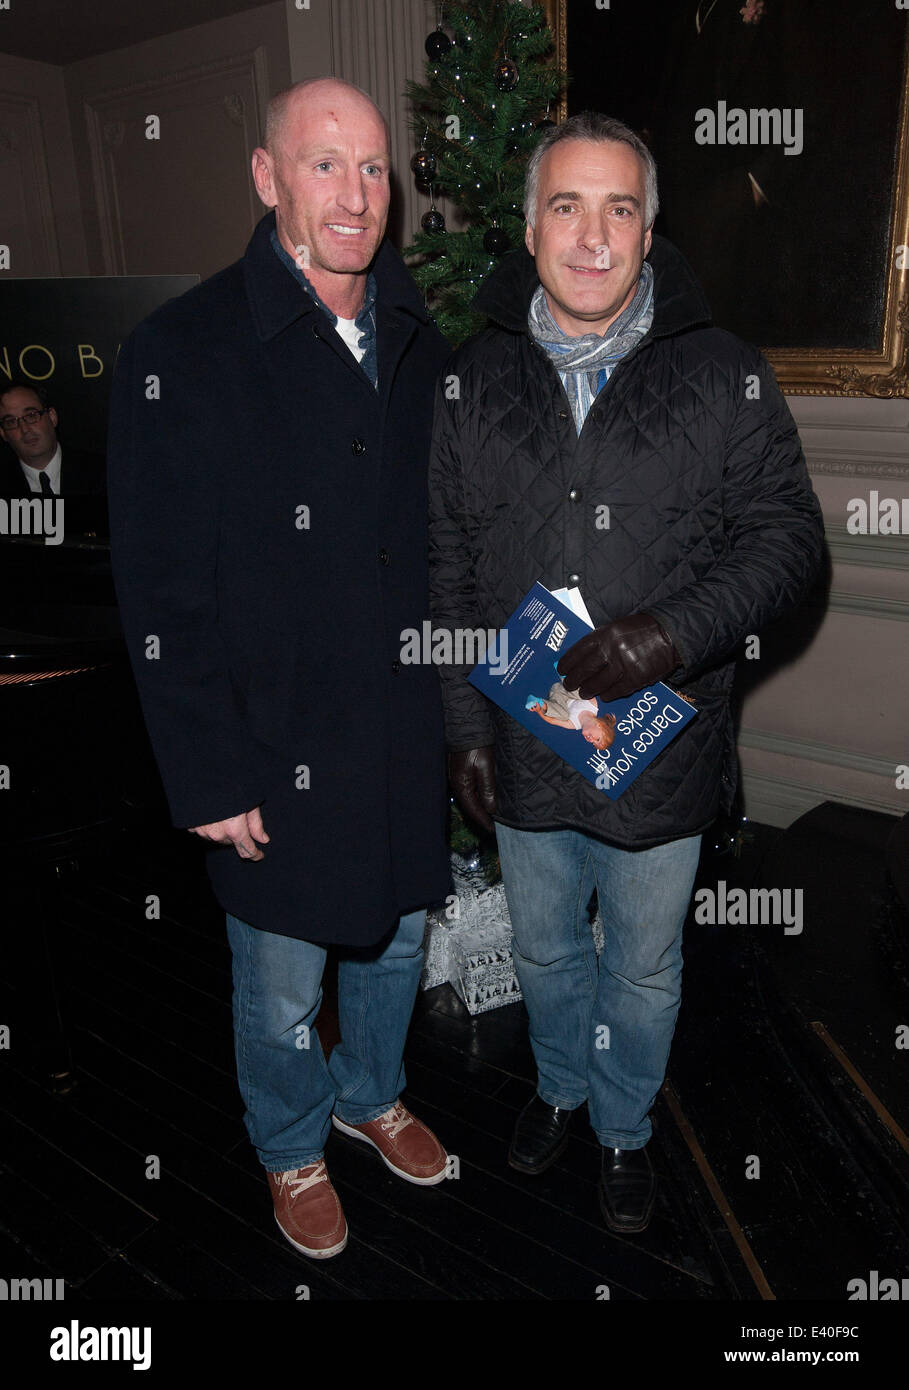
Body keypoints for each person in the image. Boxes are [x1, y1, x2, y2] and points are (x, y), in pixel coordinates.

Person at [429, 111, 824, 1234]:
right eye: (567, 205)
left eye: (619, 208)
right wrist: (462, 723)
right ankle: (560, 1087)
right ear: (529, 227)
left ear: (649, 231)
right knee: (547, 947)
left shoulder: (724, 374)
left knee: (644, 972)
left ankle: (624, 1129)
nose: (592, 235)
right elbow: (449, 566)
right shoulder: (473, 383)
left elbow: (791, 543)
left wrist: (671, 633)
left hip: (668, 741)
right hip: (525, 739)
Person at [107, 78, 452, 1261]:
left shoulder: (417, 337)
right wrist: (205, 770)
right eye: (323, 165)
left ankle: (369, 1093)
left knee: (398, 943)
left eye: (371, 169)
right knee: (282, 979)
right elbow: (160, 593)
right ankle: (292, 1143)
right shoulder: (182, 349)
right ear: (267, 178)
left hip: (402, 729)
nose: (354, 195)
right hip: (273, 743)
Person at [0, 382, 105, 499]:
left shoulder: (101, 473)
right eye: (11, 422)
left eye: (31, 415)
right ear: (3, 433)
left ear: (52, 417)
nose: (24, 429)